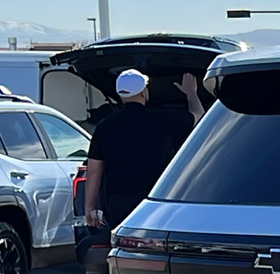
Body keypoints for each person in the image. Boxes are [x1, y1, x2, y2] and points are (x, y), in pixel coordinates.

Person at [84, 69, 202, 231]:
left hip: (118, 201)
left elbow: (94, 170)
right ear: (143, 92)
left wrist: (90, 208)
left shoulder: (104, 126)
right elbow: (199, 117)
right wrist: (191, 93)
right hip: (156, 199)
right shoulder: (164, 120)